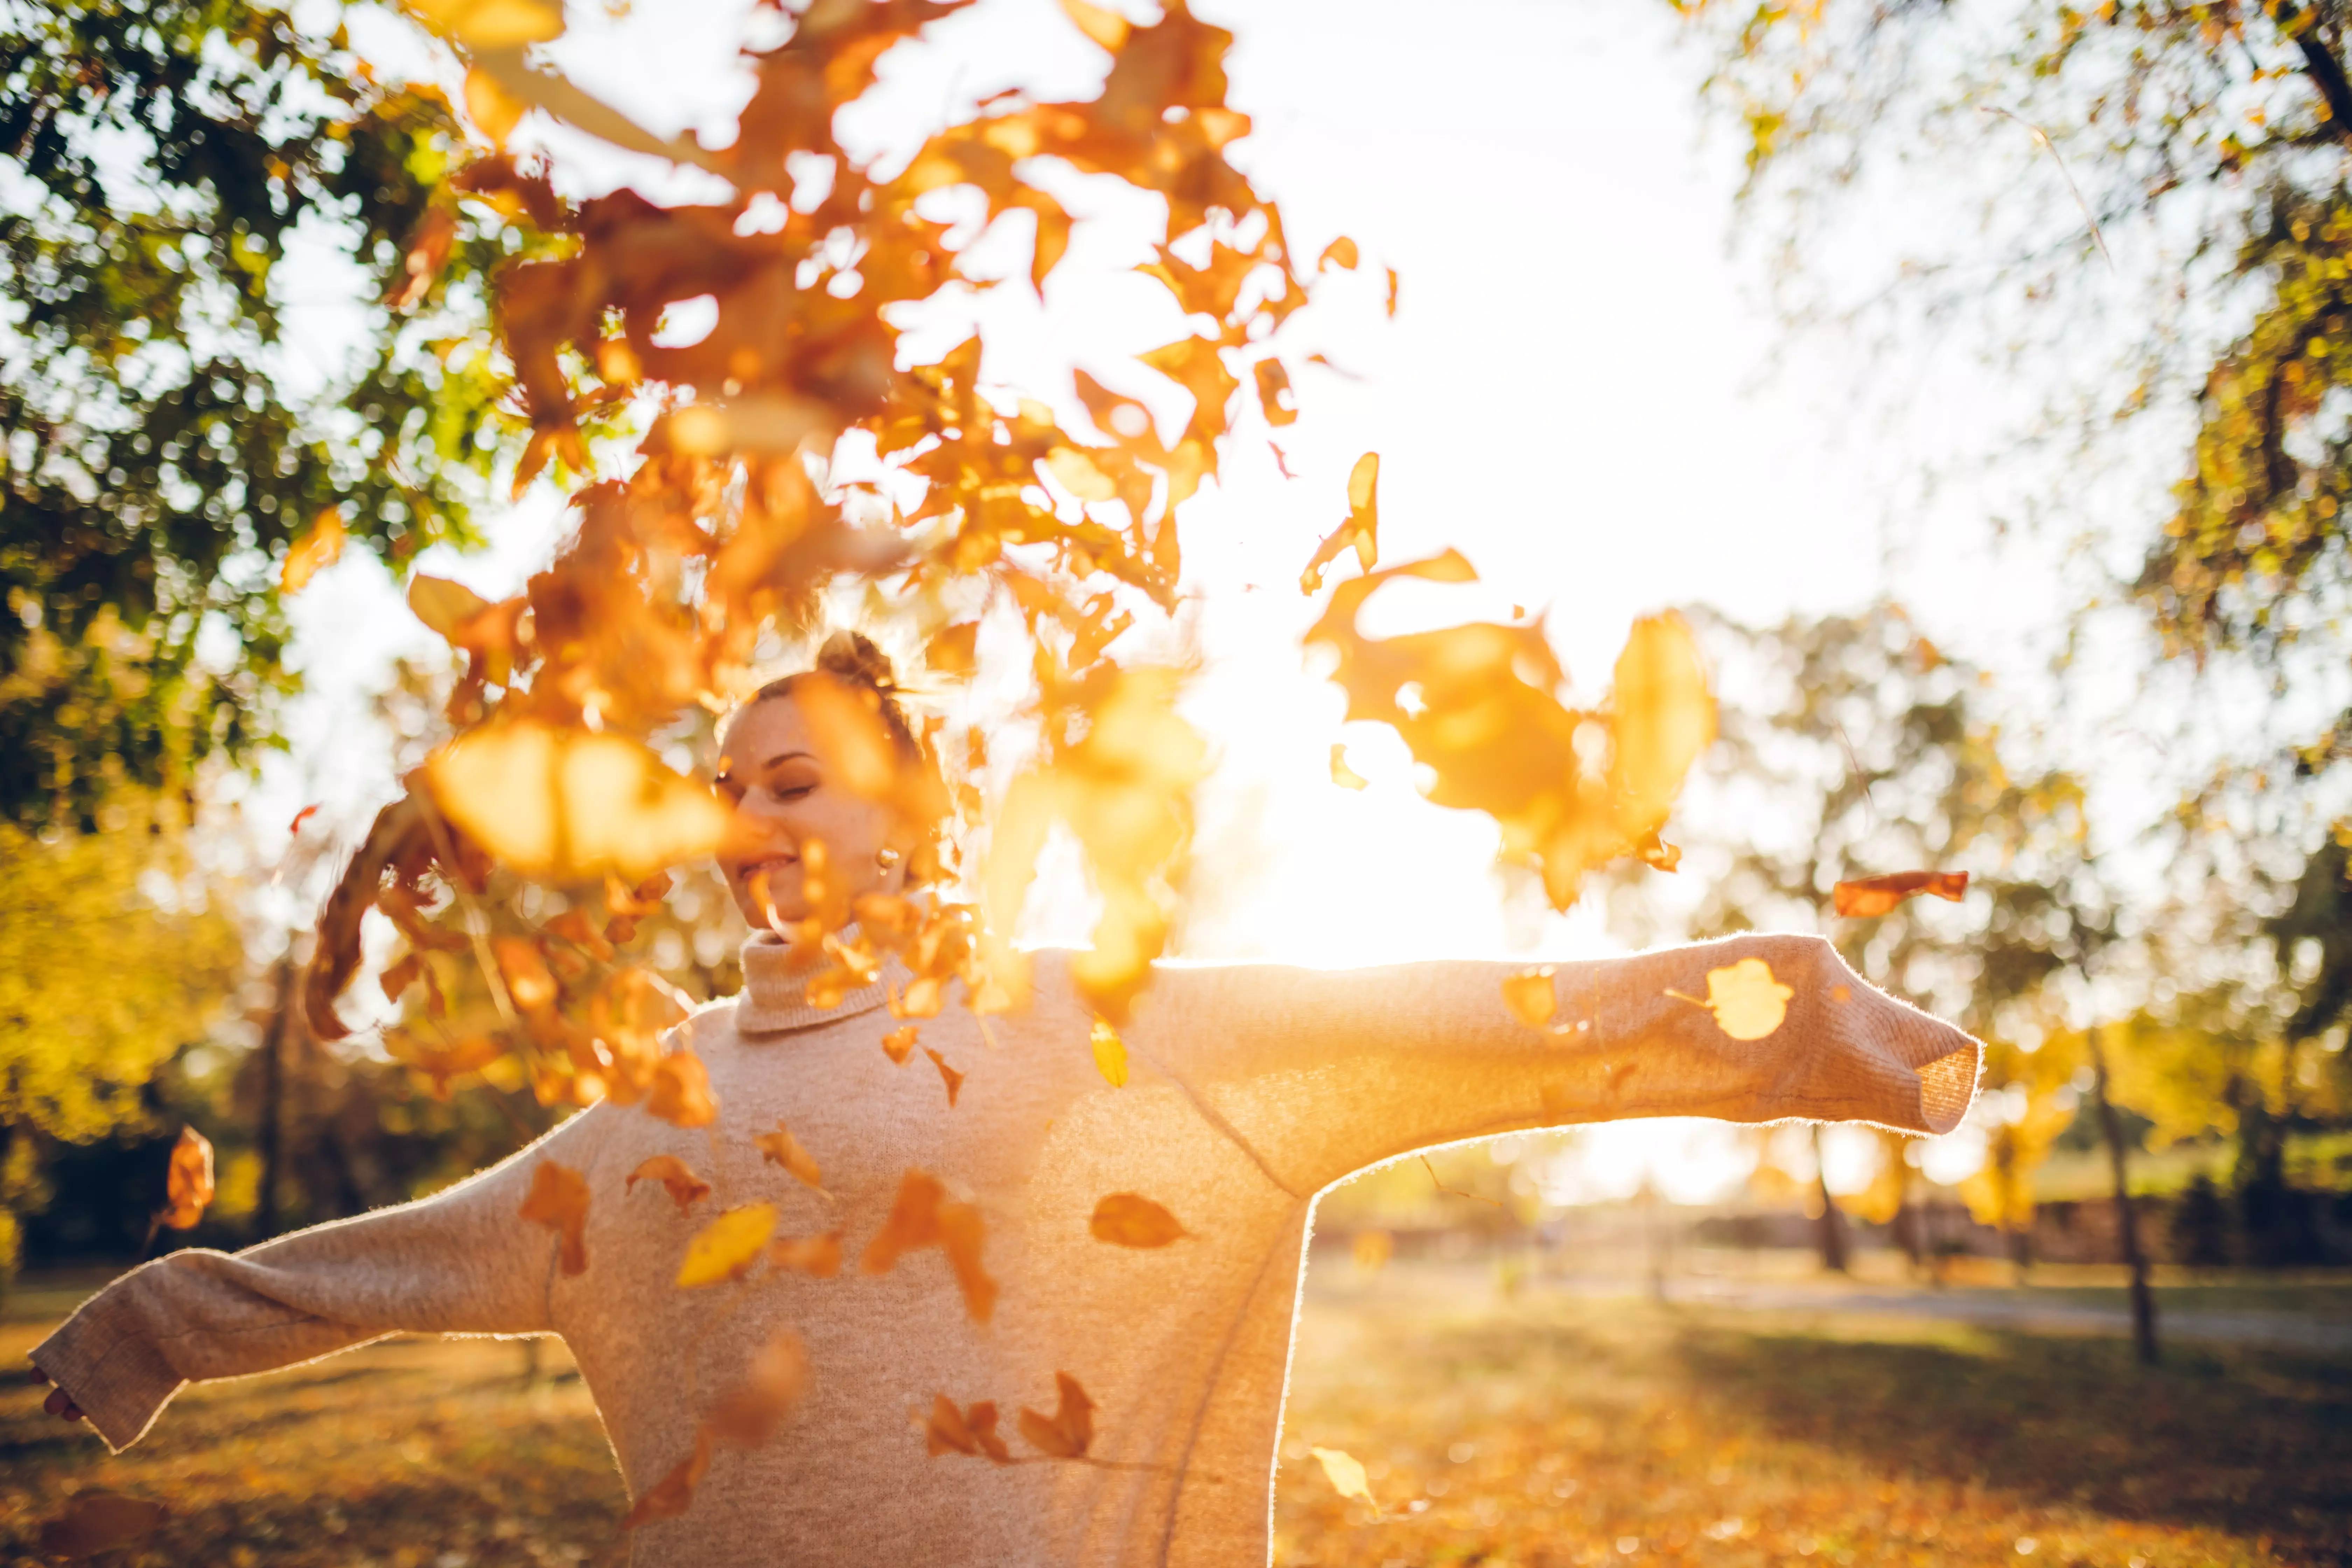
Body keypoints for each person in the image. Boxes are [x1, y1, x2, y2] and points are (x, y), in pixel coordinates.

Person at [30, 632, 1981, 1567]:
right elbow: (430, 1253)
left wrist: (1781, 1010)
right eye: (728, 790)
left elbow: (1445, 1013)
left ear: (915, 810)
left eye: (792, 780)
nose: (745, 825)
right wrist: (160, 1326)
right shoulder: (662, 1091)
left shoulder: (1076, 1022)